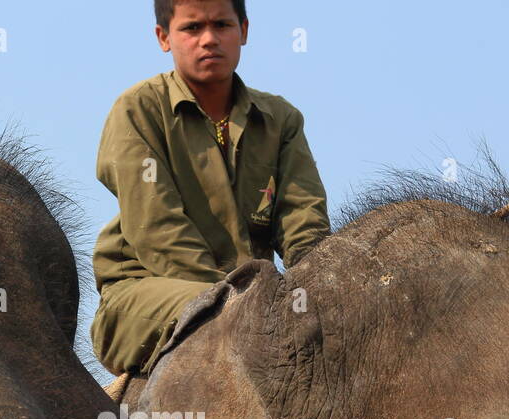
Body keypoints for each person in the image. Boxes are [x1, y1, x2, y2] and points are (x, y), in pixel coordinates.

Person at [90, 0, 330, 380]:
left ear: (244, 31)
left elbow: (305, 223)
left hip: (255, 296)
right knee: (224, 317)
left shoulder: (281, 119)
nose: (209, 40)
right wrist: (239, 296)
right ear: (163, 37)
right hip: (145, 292)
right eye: (191, 28)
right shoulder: (138, 111)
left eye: (222, 25)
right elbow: (157, 229)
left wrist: (320, 292)